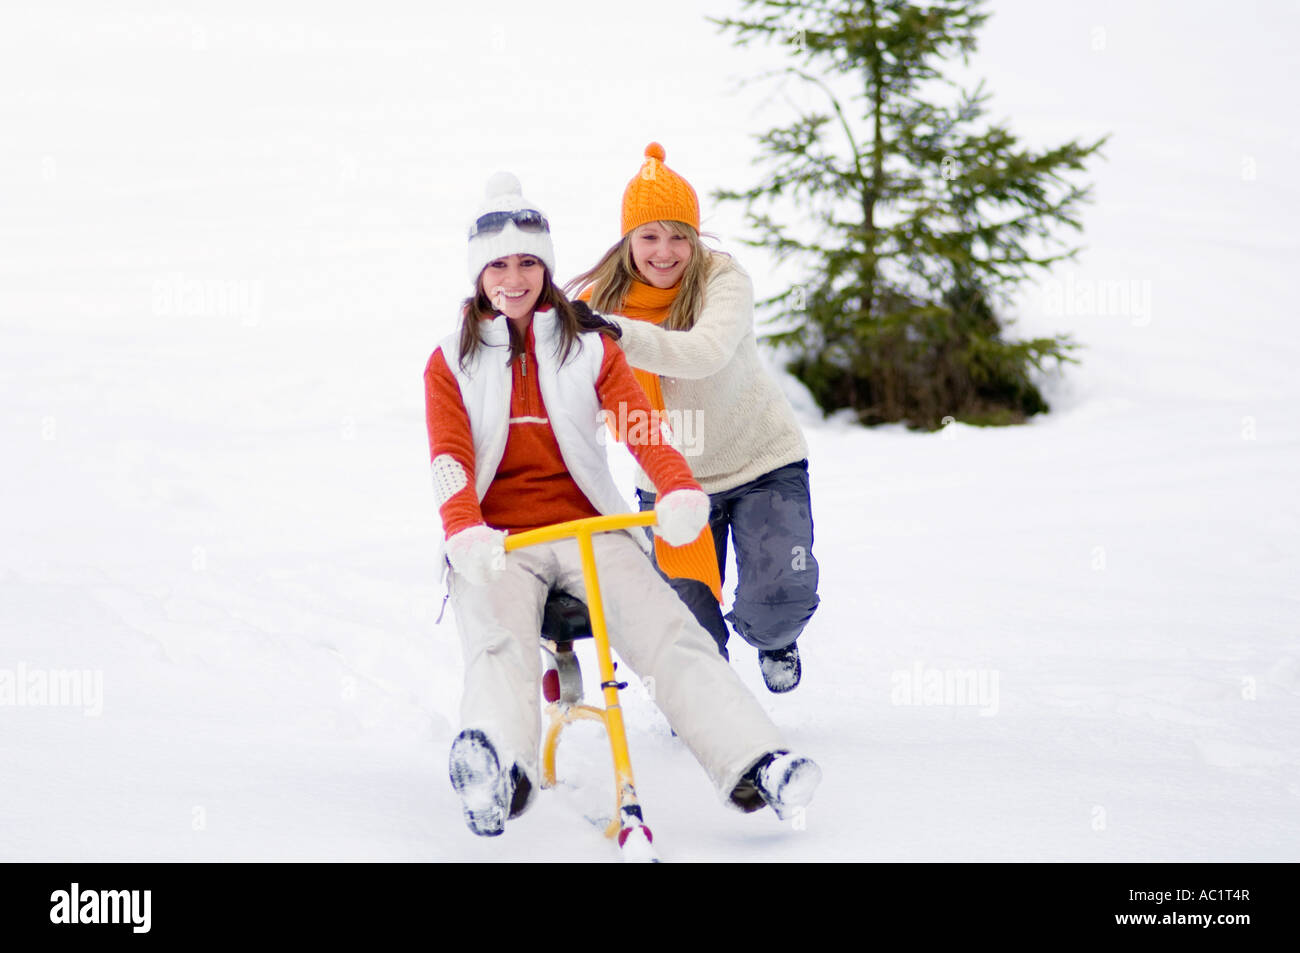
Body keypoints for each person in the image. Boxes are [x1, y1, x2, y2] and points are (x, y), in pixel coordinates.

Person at [423, 171, 820, 837]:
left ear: (546, 268)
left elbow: (641, 427)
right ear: (479, 273)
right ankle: (497, 764)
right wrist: (462, 528)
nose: (514, 278)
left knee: (670, 631)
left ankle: (758, 761)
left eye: (528, 262)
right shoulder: (450, 362)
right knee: (498, 643)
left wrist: (677, 486)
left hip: (592, 528)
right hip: (497, 542)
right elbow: (448, 459)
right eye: (499, 265)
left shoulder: (586, 343)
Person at [567, 143, 820, 694]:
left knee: (780, 598)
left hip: (760, 463)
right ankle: (711, 709)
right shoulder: (597, 304)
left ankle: (775, 638)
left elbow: (703, 352)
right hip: (671, 483)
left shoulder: (722, 281)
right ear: (627, 239)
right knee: (689, 636)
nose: (665, 251)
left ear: (696, 238)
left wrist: (618, 335)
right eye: (649, 236)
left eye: (679, 234)